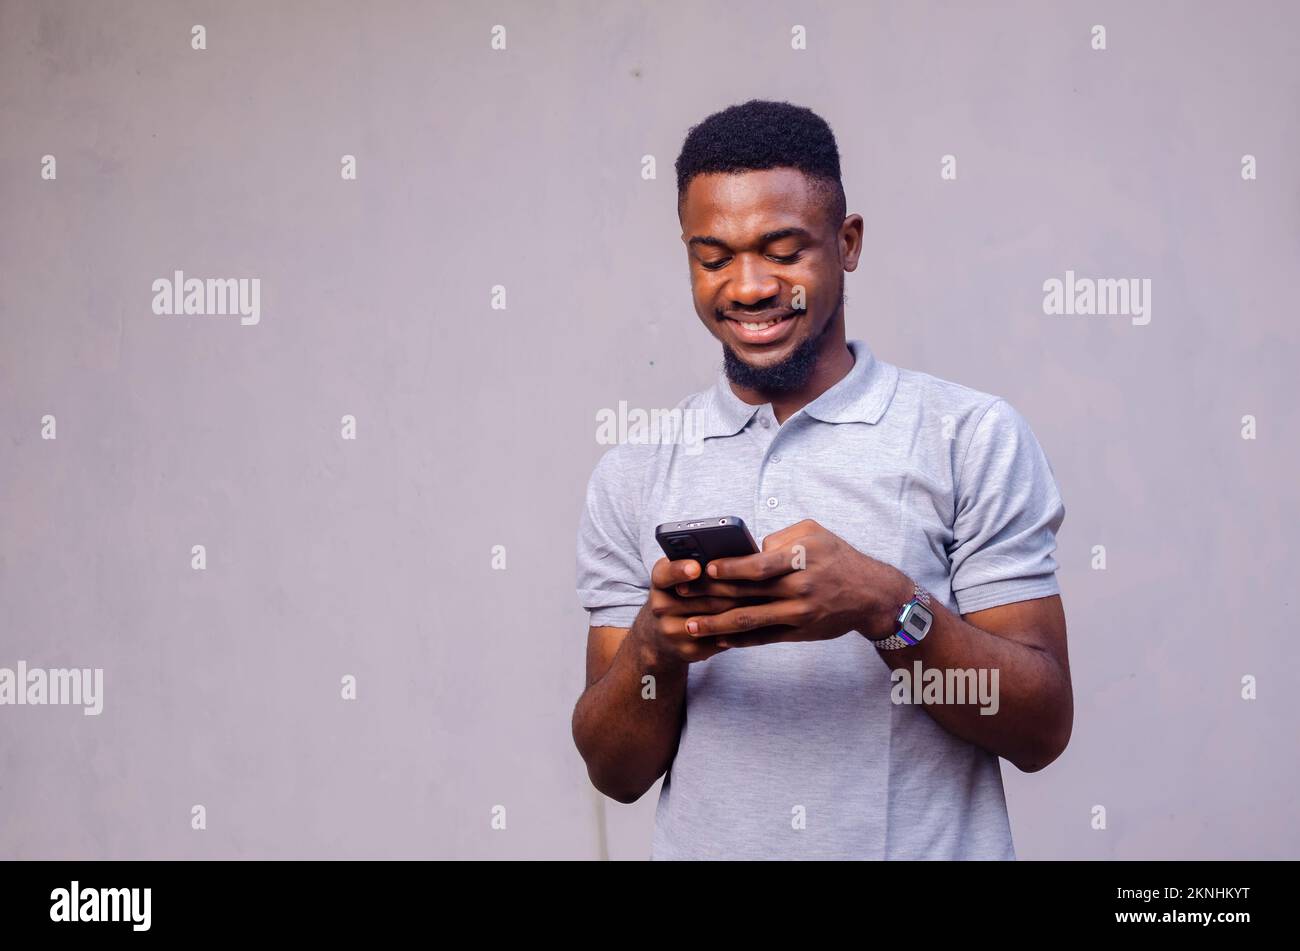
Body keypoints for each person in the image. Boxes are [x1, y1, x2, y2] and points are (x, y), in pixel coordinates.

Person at [572, 99, 1071, 860]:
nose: (747, 286)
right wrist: (656, 645)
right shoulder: (633, 471)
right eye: (713, 257)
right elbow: (617, 773)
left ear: (847, 243)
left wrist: (885, 604)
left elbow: (1039, 730)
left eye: (782, 249)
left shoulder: (969, 436)